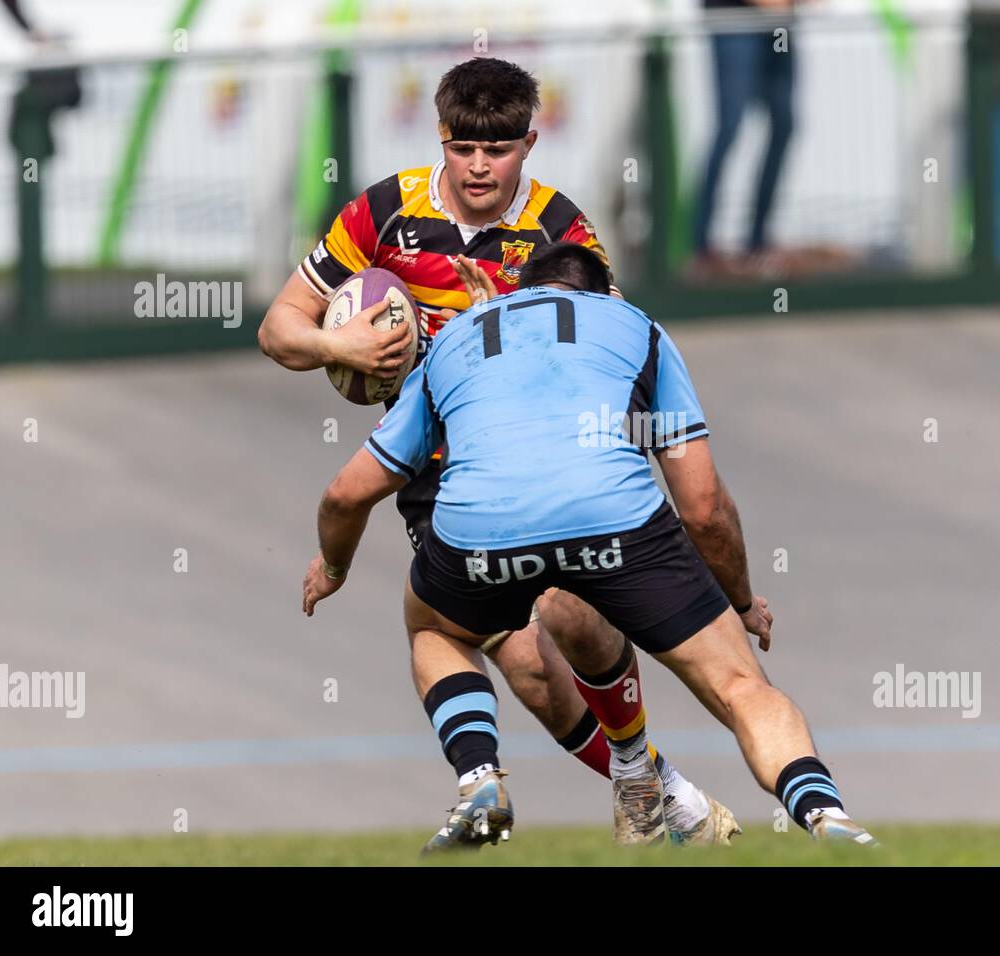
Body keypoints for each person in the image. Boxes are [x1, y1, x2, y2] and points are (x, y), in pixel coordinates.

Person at [259, 57, 738, 849]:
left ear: (529, 143)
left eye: (500, 149)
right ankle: (650, 789)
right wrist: (333, 340)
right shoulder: (383, 212)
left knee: (565, 610)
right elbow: (278, 327)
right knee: (523, 662)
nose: (479, 166)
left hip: (549, 456)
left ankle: (641, 787)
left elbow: (613, 358)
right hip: (436, 469)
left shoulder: (562, 230)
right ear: (441, 139)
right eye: (464, 148)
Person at [302, 242, 880, 847]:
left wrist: (335, 567)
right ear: (605, 294)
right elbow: (705, 509)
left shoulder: (454, 338)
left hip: (483, 529)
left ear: (522, 289)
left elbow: (345, 496)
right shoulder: (636, 327)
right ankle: (826, 816)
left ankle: (479, 779)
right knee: (741, 687)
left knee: (437, 632)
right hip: (618, 523)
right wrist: (737, 601)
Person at [693, 0, 798, 270]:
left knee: (784, 124)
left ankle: (758, 242)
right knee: (730, 127)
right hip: (733, 15)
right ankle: (700, 246)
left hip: (778, 24)